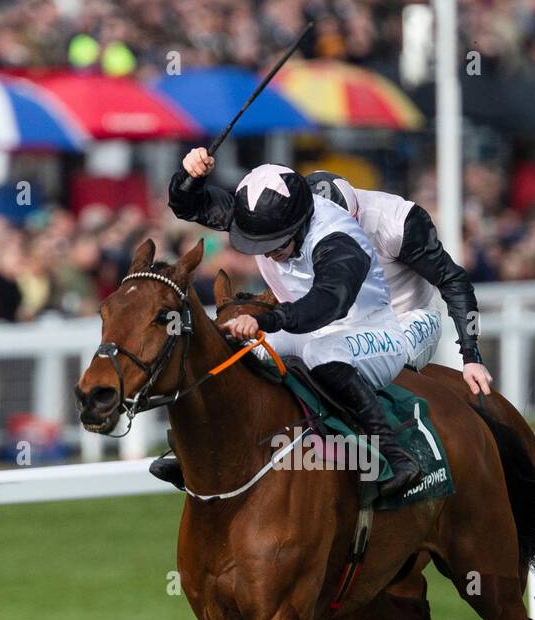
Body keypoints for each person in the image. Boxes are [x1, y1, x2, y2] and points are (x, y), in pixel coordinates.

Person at [156, 147, 420, 498]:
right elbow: (189, 206)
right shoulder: (264, 216)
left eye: (274, 244)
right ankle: (202, 450)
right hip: (305, 327)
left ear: (298, 224)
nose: (266, 252)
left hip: (371, 330)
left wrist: (266, 318)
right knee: (236, 349)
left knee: (323, 354)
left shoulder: (338, 240)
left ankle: (396, 455)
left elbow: (325, 305)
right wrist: (190, 178)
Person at [305, 170, 491, 396]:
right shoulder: (296, 231)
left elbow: (454, 281)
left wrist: (471, 356)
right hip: (345, 328)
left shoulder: (398, 222)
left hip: (408, 317)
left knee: (381, 363)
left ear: (355, 213)